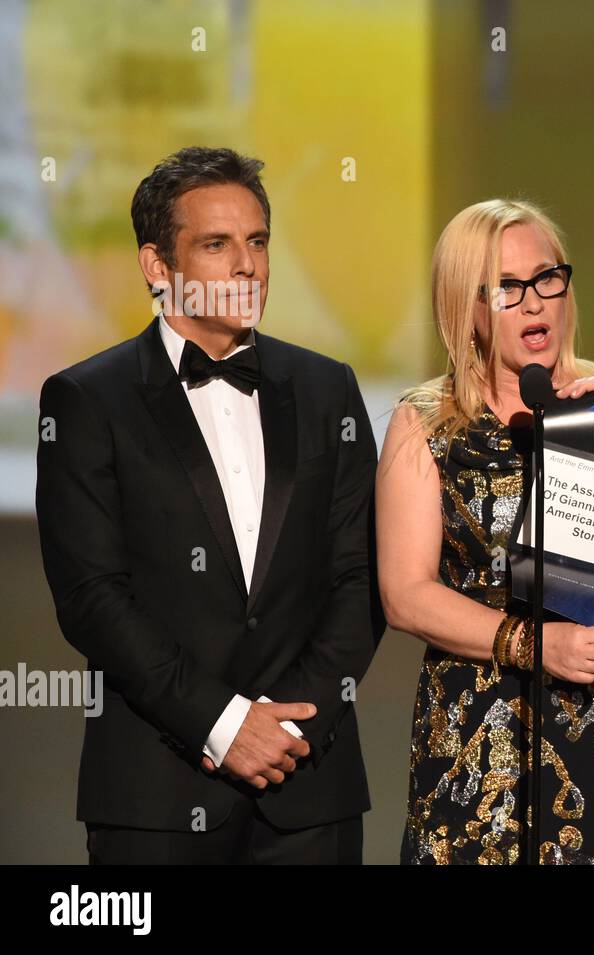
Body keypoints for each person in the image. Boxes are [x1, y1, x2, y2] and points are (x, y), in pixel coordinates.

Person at [35, 146, 385, 864]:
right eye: (217, 244)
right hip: (156, 797)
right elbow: (92, 599)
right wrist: (224, 724)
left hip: (308, 796)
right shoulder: (85, 400)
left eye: (257, 241)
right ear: (157, 267)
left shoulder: (328, 390)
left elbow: (361, 579)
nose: (247, 265)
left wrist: (284, 732)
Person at [377, 198, 594, 864]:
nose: (536, 302)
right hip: (478, 751)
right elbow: (405, 593)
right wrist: (532, 643)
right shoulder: (426, 422)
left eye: (547, 279)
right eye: (507, 288)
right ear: (466, 304)